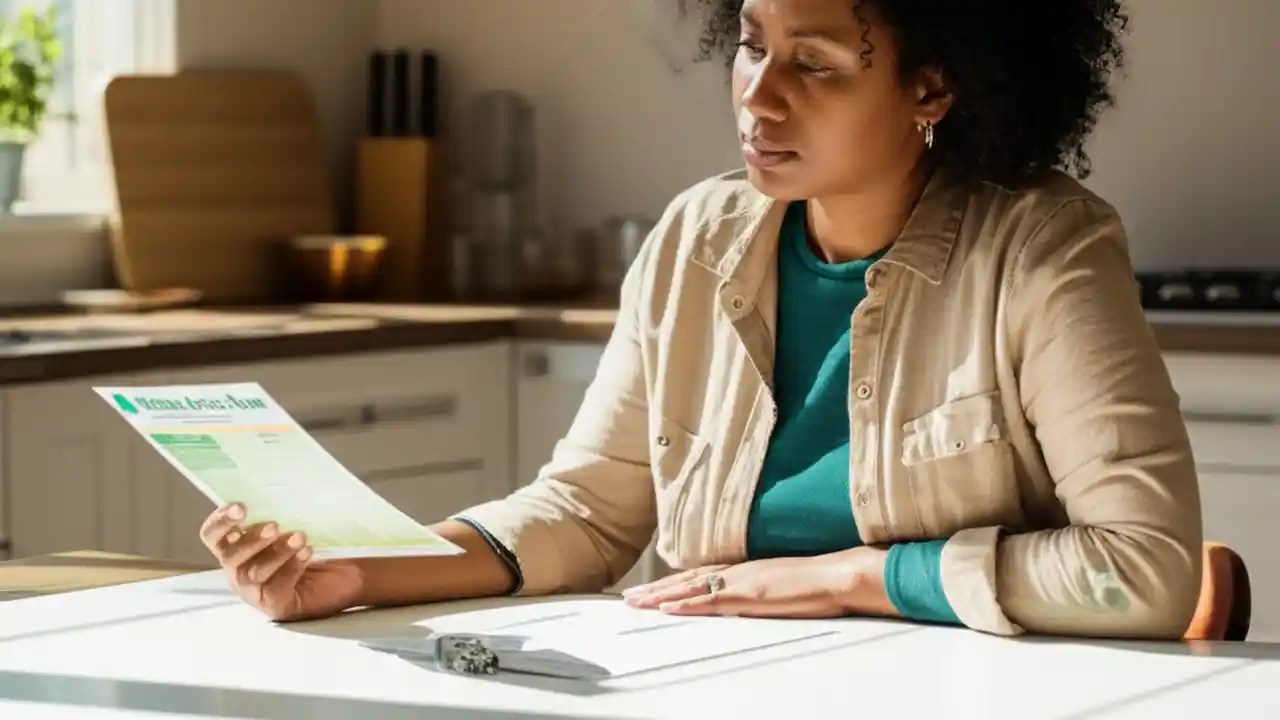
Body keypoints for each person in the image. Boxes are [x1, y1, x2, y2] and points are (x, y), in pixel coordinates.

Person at [200, 0, 1202, 639]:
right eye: (751, 46)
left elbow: (1145, 570)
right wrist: (356, 572)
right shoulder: (696, 235)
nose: (756, 98)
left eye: (812, 64)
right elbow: (586, 516)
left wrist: (852, 578)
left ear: (929, 86)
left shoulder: (1040, 250)